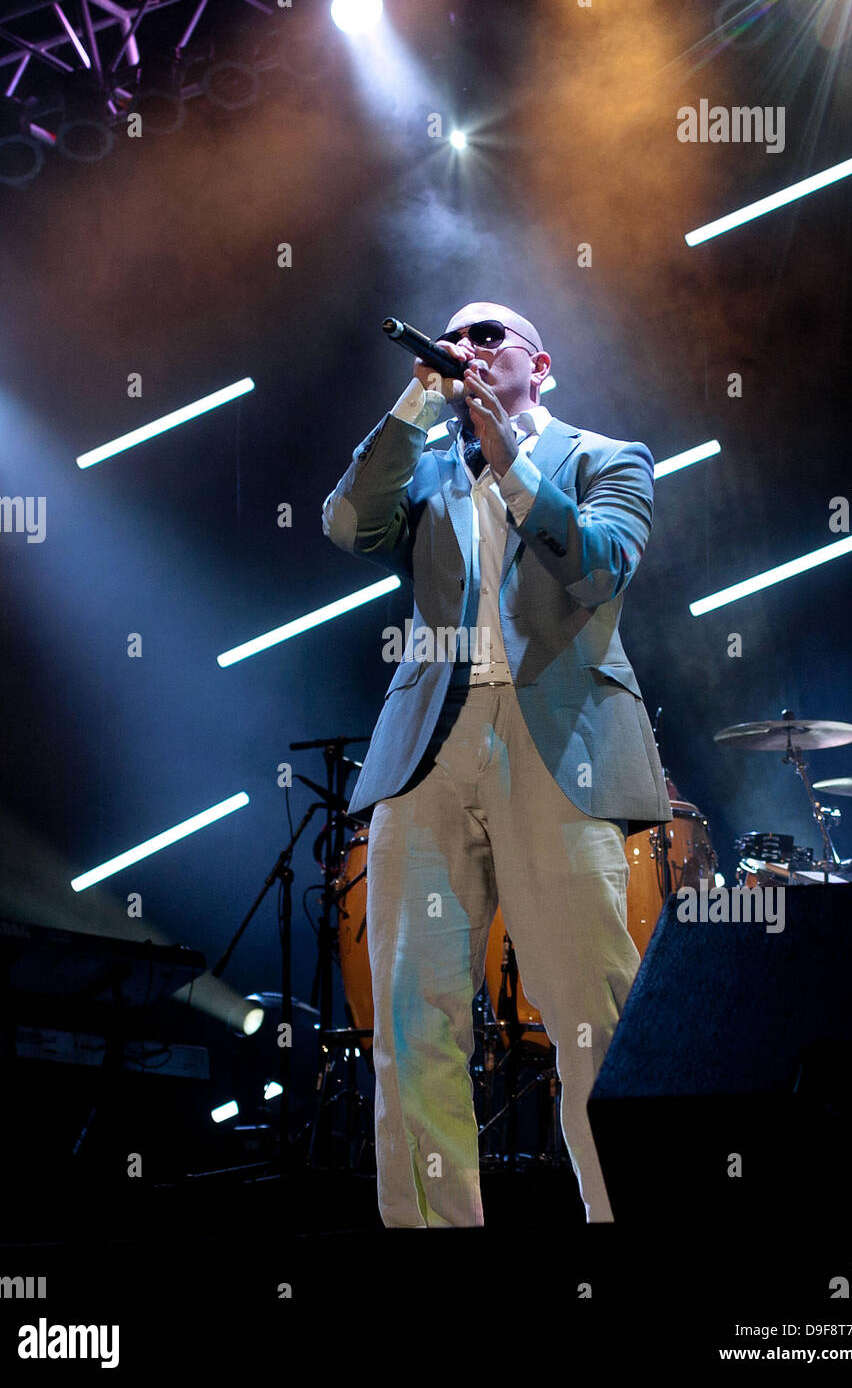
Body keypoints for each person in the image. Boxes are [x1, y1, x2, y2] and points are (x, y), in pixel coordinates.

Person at [322, 301, 671, 1226]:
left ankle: (622, 1221)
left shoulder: (607, 457)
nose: (467, 348)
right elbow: (347, 524)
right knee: (411, 1016)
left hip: (558, 740)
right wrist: (413, 406)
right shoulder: (426, 468)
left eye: (488, 336)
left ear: (540, 364)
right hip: (431, 743)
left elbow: (599, 564)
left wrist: (510, 459)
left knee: (591, 1011)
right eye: (456, 338)